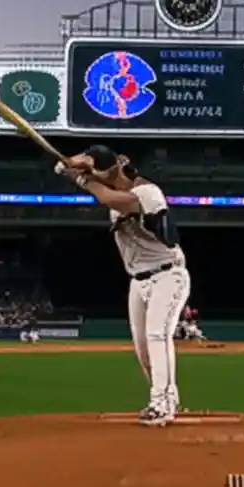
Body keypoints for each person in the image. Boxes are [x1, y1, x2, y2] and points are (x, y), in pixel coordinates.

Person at [55, 145, 190, 427]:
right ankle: (167, 396)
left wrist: (80, 179)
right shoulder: (114, 194)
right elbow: (101, 186)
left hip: (168, 274)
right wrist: (71, 165)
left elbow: (110, 198)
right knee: (142, 348)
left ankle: (160, 404)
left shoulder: (147, 192)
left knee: (157, 336)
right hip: (138, 280)